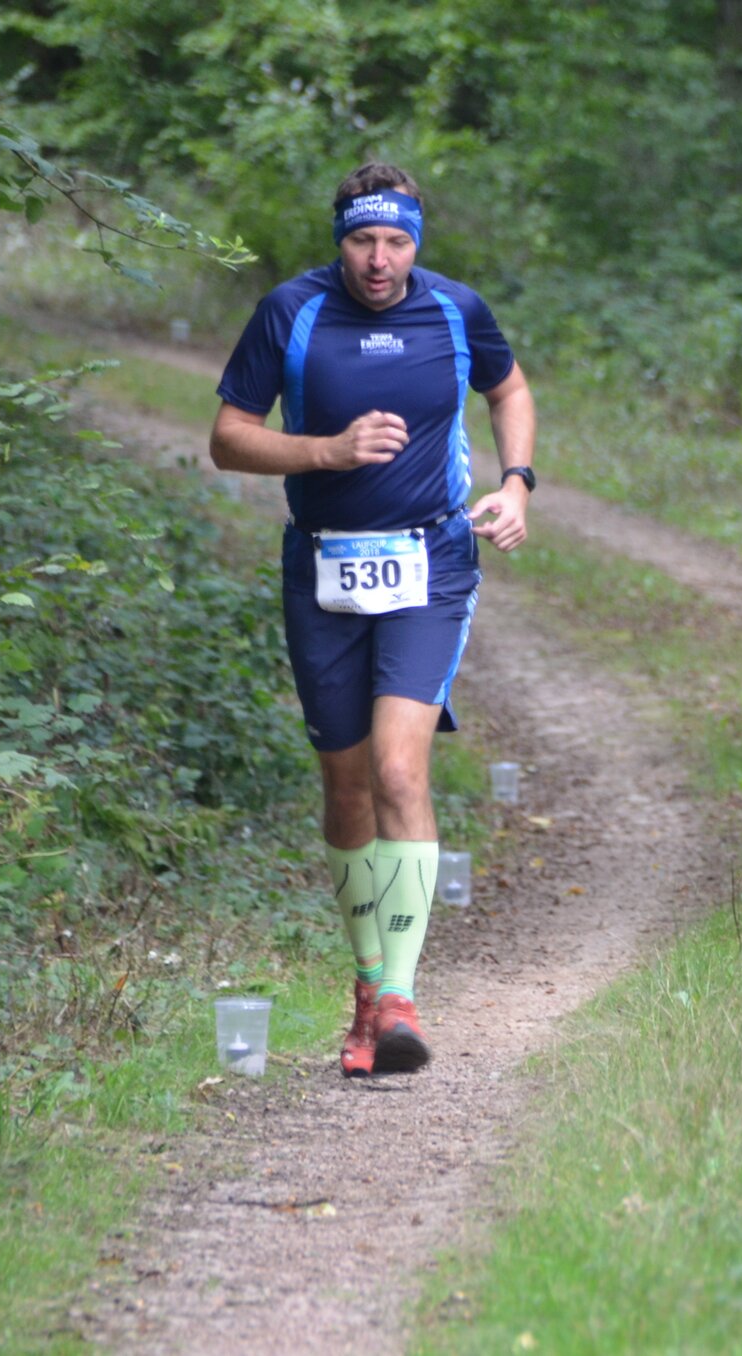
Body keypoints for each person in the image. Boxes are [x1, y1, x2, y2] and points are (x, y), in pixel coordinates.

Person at [210, 163, 537, 1077]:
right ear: (339, 239)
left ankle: (399, 998)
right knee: (348, 789)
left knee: (401, 769)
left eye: (397, 242)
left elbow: (509, 390)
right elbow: (228, 435)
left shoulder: (455, 311)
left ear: (417, 243)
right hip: (323, 566)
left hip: (431, 563)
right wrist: (325, 451)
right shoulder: (292, 311)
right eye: (363, 240)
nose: (380, 259)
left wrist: (516, 485)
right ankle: (366, 990)